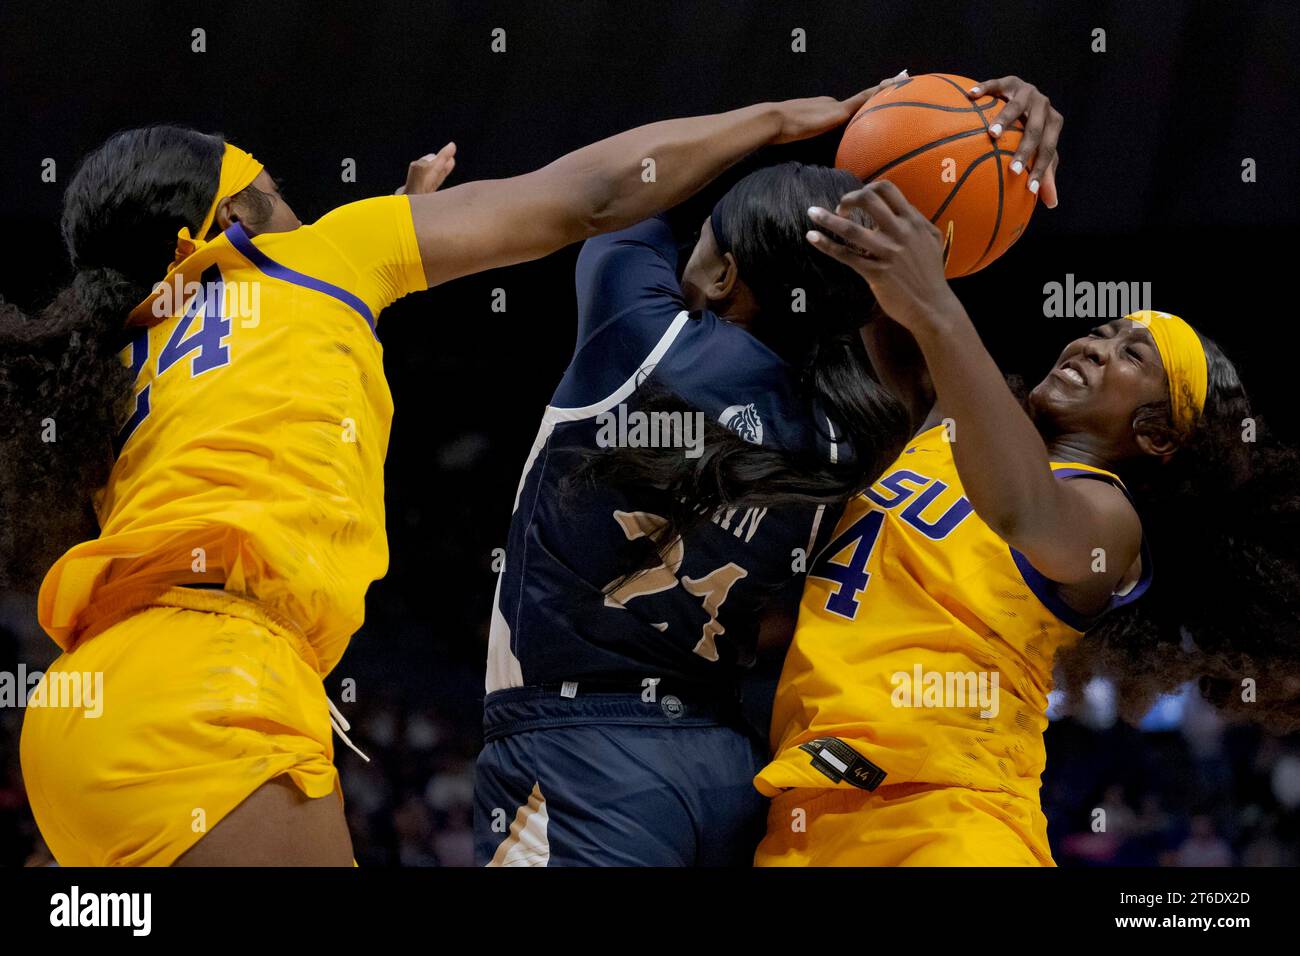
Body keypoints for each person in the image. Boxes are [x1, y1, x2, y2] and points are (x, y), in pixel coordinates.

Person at [4, 87, 881, 866]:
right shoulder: (322, 258)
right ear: (232, 213)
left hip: (82, 713)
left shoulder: (113, 356)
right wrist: (774, 118)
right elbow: (597, 195)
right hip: (207, 689)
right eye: (282, 196)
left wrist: (390, 250)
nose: (305, 216)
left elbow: (257, 382)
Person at [476, 78, 1065, 866]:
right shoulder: (855, 431)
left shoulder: (642, 336)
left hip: (578, 755)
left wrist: (784, 123)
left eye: (705, 249)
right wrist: (970, 151)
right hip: (727, 771)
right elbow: (904, 320)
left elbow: (616, 185)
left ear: (724, 278)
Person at [752, 178, 1298, 865]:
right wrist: (934, 149)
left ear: (1157, 436)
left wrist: (939, 303)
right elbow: (876, 267)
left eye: (1132, 356)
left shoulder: (1107, 519)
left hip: (953, 819)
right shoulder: (944, 420)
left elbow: (1020, 508)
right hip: (806, 816)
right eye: (1100, 331)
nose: (1096, 346)